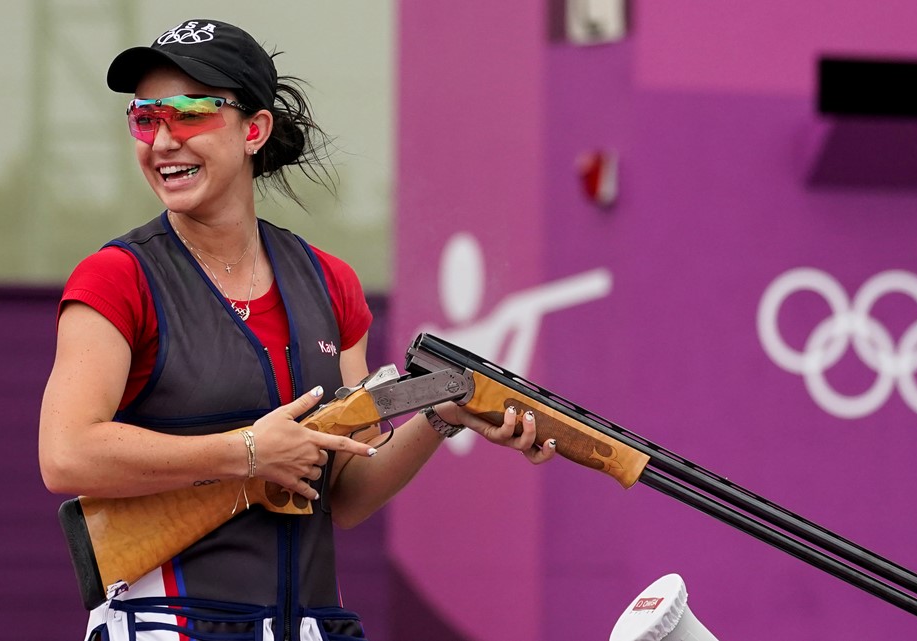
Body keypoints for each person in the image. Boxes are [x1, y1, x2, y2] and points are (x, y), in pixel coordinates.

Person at [38, 18, 556, 641]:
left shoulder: (331, 284)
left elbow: (347, 492)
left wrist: (441, 416)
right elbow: (66, 455)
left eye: (190, 114)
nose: (163, 140)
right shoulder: (116, 278)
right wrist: (248, 452)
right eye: (145, 119)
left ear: (253, 131)